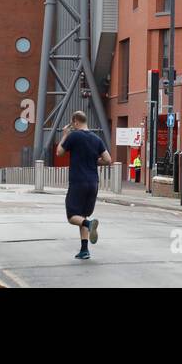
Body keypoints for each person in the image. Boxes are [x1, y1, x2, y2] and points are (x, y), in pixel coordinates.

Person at [57, 111, 112, 260]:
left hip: (78, 182)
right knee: (82, 215)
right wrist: (94, 161)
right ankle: (84, 250)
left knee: (72, 216)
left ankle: (90, 224)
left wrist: (65, 134)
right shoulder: (96, 139)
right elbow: (108, 159)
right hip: (93, 183)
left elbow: (59, 152)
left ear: (75, 122)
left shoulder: (74, 136)